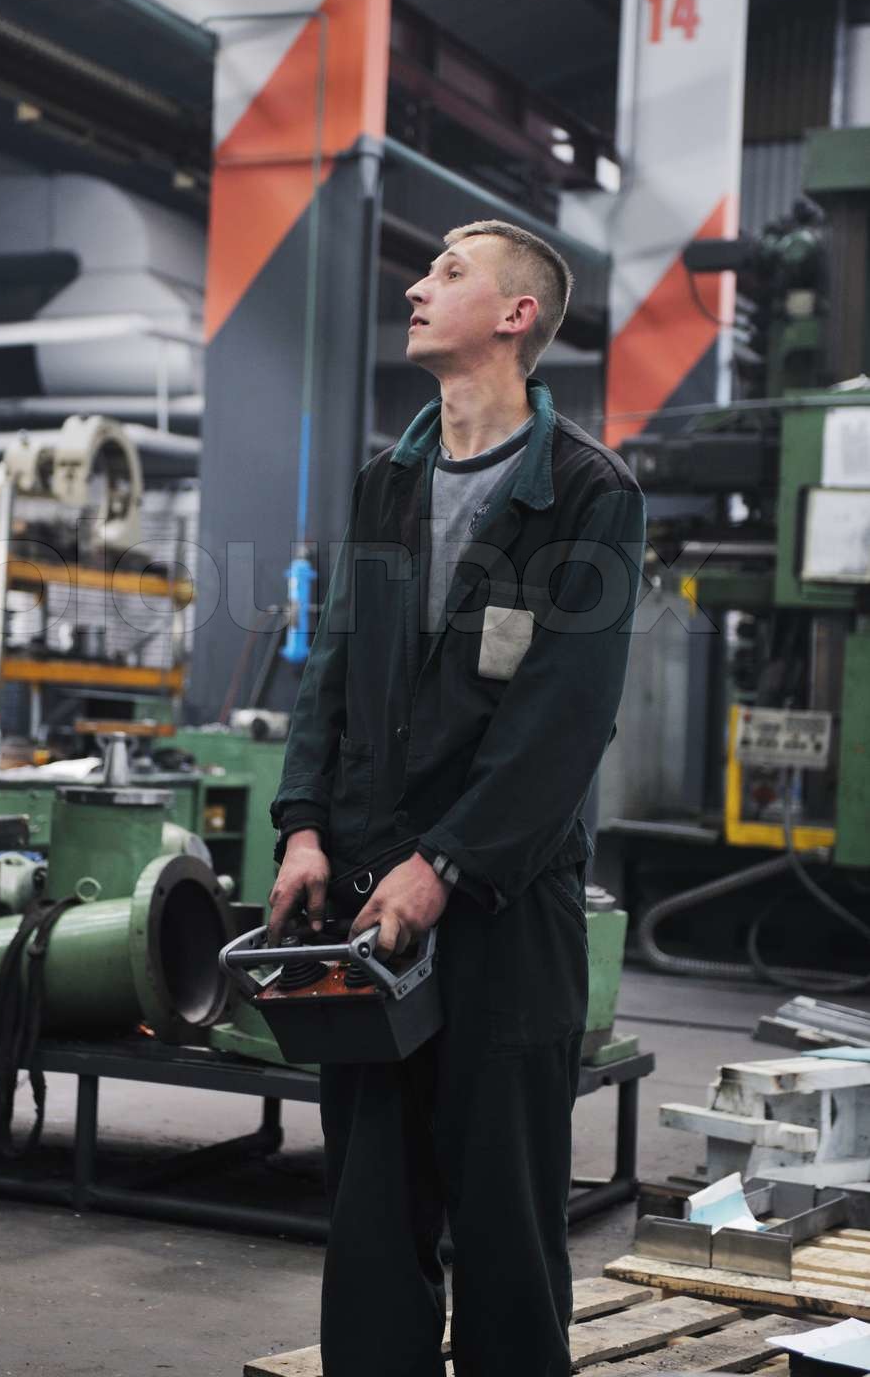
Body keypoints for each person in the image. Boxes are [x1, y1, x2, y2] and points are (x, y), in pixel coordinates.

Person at [267, 219, 646, 1377]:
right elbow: (332, 666)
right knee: (374, 1223)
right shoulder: (390, 481)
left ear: (516, 315)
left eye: (447, 271)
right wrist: (303, 824)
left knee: (507, 1229)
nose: (417, 286)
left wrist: (448, 865)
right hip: (368, 904)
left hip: (502, 915)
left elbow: (564, 718)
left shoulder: (587, 495)